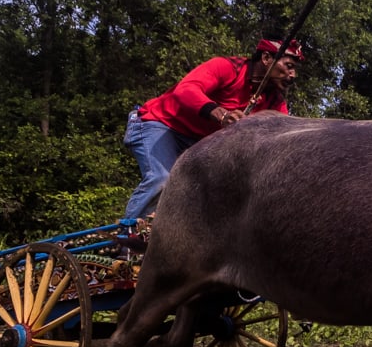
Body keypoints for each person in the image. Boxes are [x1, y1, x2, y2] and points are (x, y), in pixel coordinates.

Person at [122, 38, 302, 220]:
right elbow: (185, 90)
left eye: (294, 69)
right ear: (266, 58)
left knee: (208, 195)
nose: (293, 75)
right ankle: (127, 240)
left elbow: (283, 136)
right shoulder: (228, 68)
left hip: (196, 143)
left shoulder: (274, 102)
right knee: (162, 179)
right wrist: (220, 114)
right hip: (158, 123)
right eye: (288, 66)